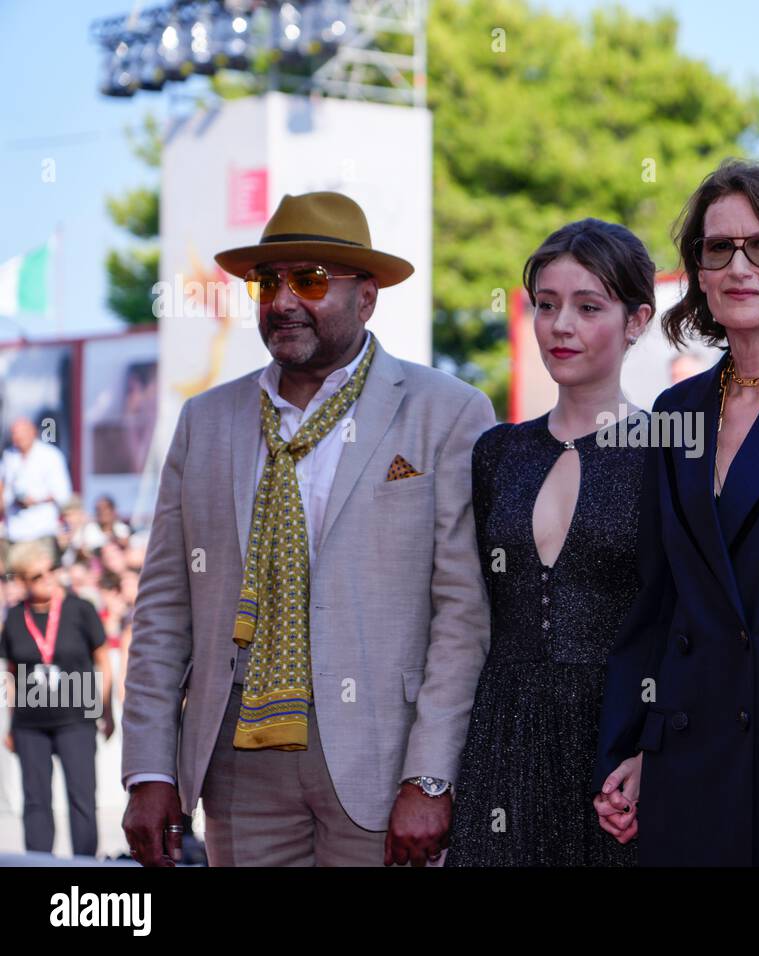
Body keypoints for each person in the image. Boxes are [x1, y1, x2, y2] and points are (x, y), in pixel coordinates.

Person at [120, 191, 496, 867]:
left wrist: (431, 775)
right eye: (270, 282)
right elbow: (164, 608)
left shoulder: (448, 413)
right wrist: (150, 769)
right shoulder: (207, 421)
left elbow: (463, 615)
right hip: (237, 761)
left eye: (312, 279)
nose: (284, 300)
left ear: (367, 297)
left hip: (384, 758)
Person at [593, 159, 759, 866]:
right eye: (719, 249)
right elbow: (657, 604)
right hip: (689, 754)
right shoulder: (674, 411)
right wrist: (634, 746)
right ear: (700, 274)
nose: (740, 265)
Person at [445, 220, 654, 867]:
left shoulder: (667, 452)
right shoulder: (497, 453)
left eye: (588, 306)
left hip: (616, 746)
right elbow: (466, 610)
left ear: (636, 319)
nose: (560, 325)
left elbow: (682, 620)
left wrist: (651, 749)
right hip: (501, 739)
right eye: (545, 304)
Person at [1, 540, 113, 857]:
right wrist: (10, 724)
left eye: (52, 569)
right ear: (22, 580)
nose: (48, 577)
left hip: (76, 718)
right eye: (37, 575)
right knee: (35, 801)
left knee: (82, 800)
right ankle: (37, 863)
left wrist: (104, 710)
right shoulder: (12, 618)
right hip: (29, 724)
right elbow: (11, 673)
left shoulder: (81, 609)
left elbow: (103, 660)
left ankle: (85, 868)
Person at [1, 418, 73, 564]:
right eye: (15, 435)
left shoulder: (50, 456)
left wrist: (36, 500)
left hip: (42, 531)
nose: (18, 439)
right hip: (15, 532)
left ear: (33, 432)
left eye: (21, 434)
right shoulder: (9, 457)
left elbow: (63, 493)